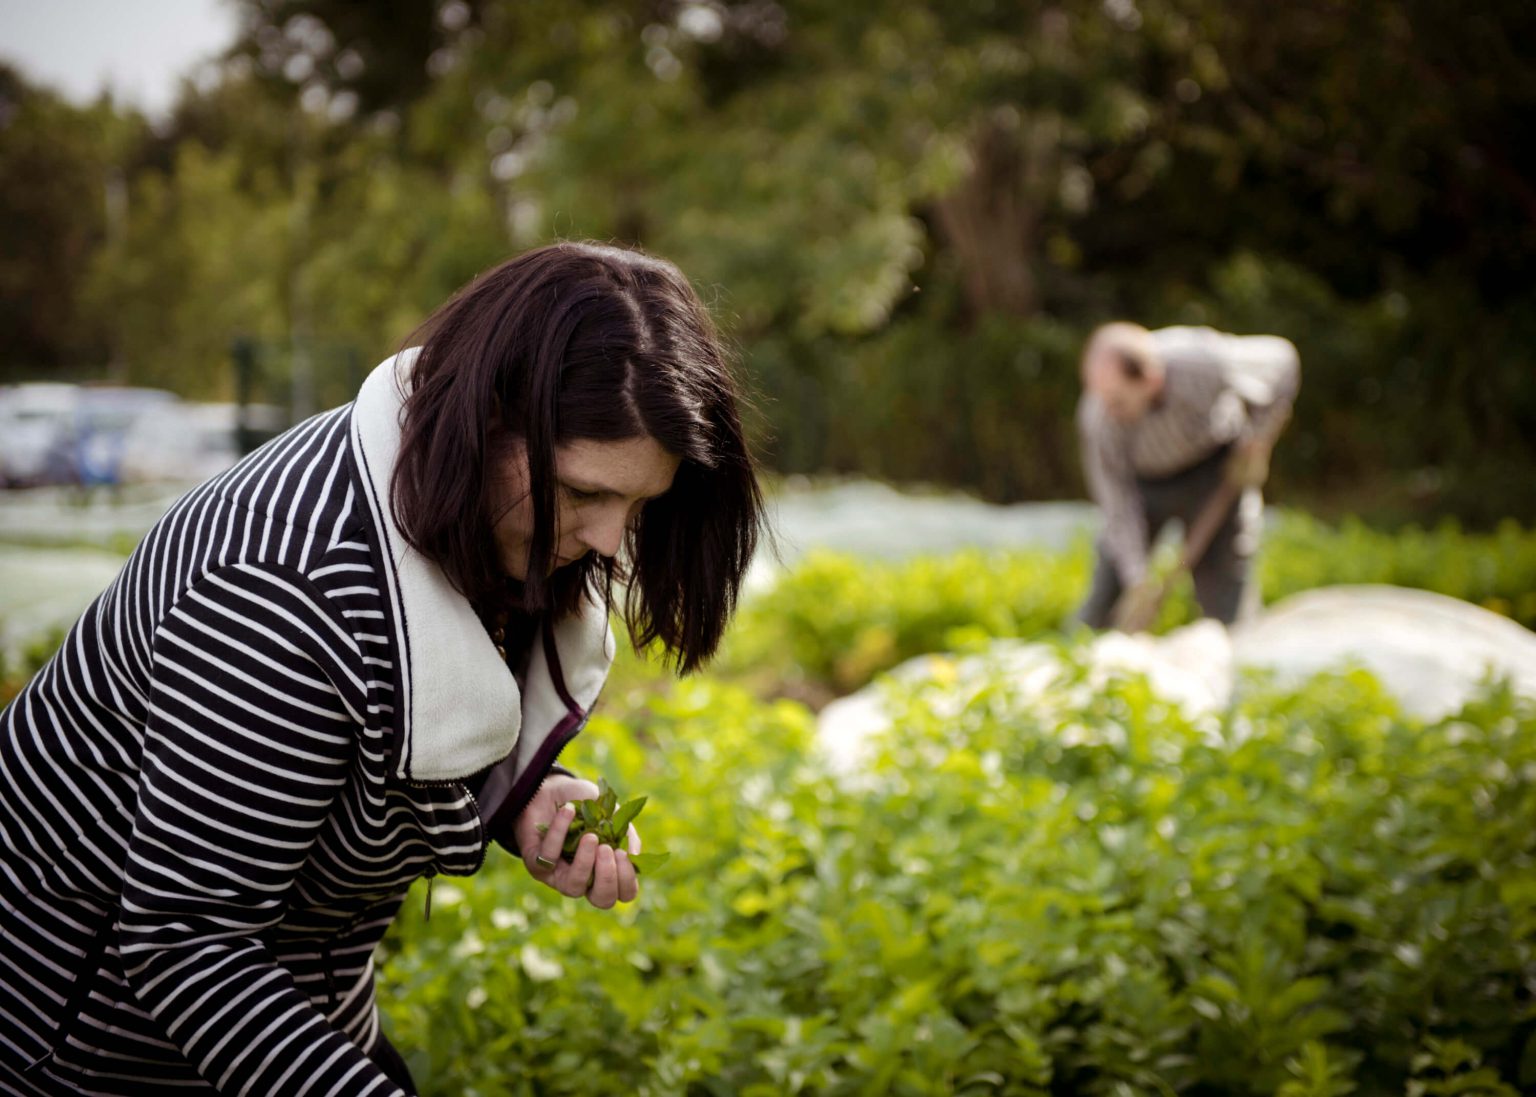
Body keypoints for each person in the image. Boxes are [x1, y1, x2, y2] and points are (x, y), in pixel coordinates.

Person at [0, 242, 764, 1095]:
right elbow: (186, 940)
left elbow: (398, 706)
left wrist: (516, 798)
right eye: (584, 493)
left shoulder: (466, 510)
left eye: (640, 503)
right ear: (487, 419)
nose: (610, 539)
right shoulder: (279, 590)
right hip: (87, 1048)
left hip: (307, 1022)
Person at [1075, 322, 1300, 629]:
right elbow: (1116, 501)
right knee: (1103, 601)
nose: (1108, 409)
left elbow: (1282, 360)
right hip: (1144, 487)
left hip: (1215, 472)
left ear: (1151, 379)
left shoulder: (1201, 362)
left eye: (1118, 400)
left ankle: (1235, 655)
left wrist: (1259, 438)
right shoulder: (1099, 418)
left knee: (1226, 602)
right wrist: (1138, 578)